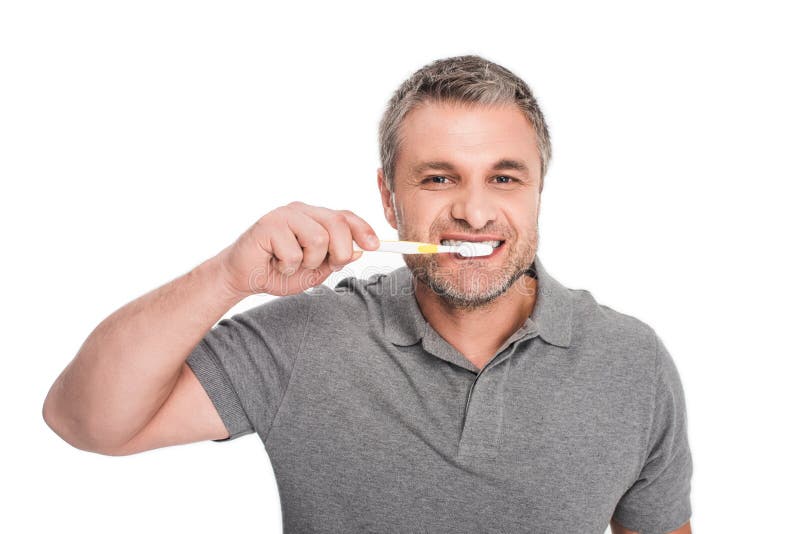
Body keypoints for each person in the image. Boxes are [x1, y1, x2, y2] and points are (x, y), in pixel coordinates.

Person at [42, 55, 692, 533]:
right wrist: (228, 277)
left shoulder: (631, 361)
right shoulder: (303, 342)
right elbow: (84, 419)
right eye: (439, 178)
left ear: (538, 190)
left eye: (503, 177)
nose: (473, 211)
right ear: (388, 196)